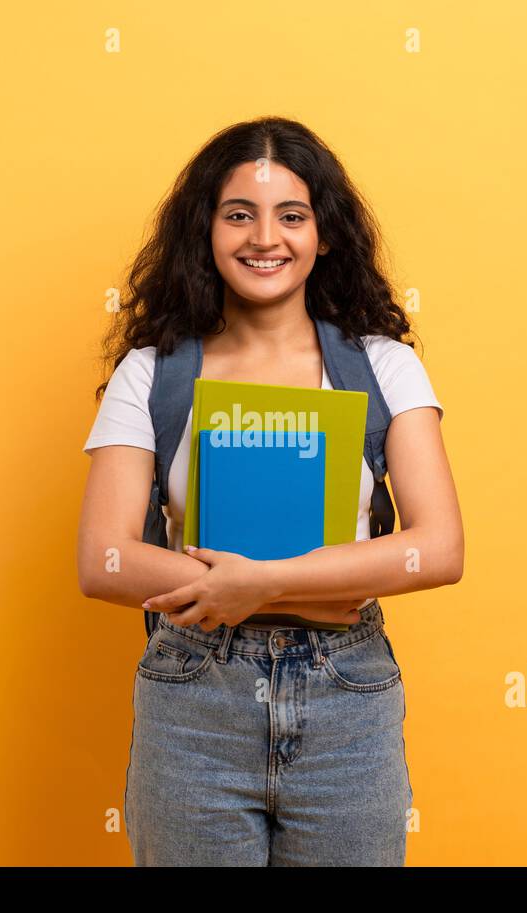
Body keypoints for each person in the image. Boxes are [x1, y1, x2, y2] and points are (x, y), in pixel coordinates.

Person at [77, 116, 463, 865]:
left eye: (292, 216)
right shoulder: (153, 373)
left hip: (347, 702)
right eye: (239, 215)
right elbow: (103, 561)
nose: (266, 238)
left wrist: (262, 585)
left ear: (325, 234)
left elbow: (439, 548)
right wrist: (298, 590)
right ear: (206, 230)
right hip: (193, 702)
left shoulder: (384, 367)